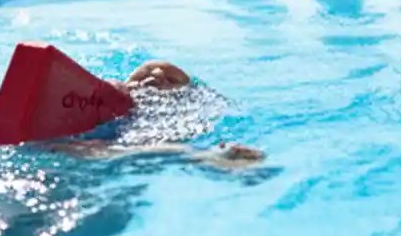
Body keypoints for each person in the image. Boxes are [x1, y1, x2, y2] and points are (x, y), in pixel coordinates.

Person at [46, 59, 265, 169]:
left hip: (103, 157)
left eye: (171, 80)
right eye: (147, 69)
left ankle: (206, 158)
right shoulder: (100, 95)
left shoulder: (172, 118)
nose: (157, 75)